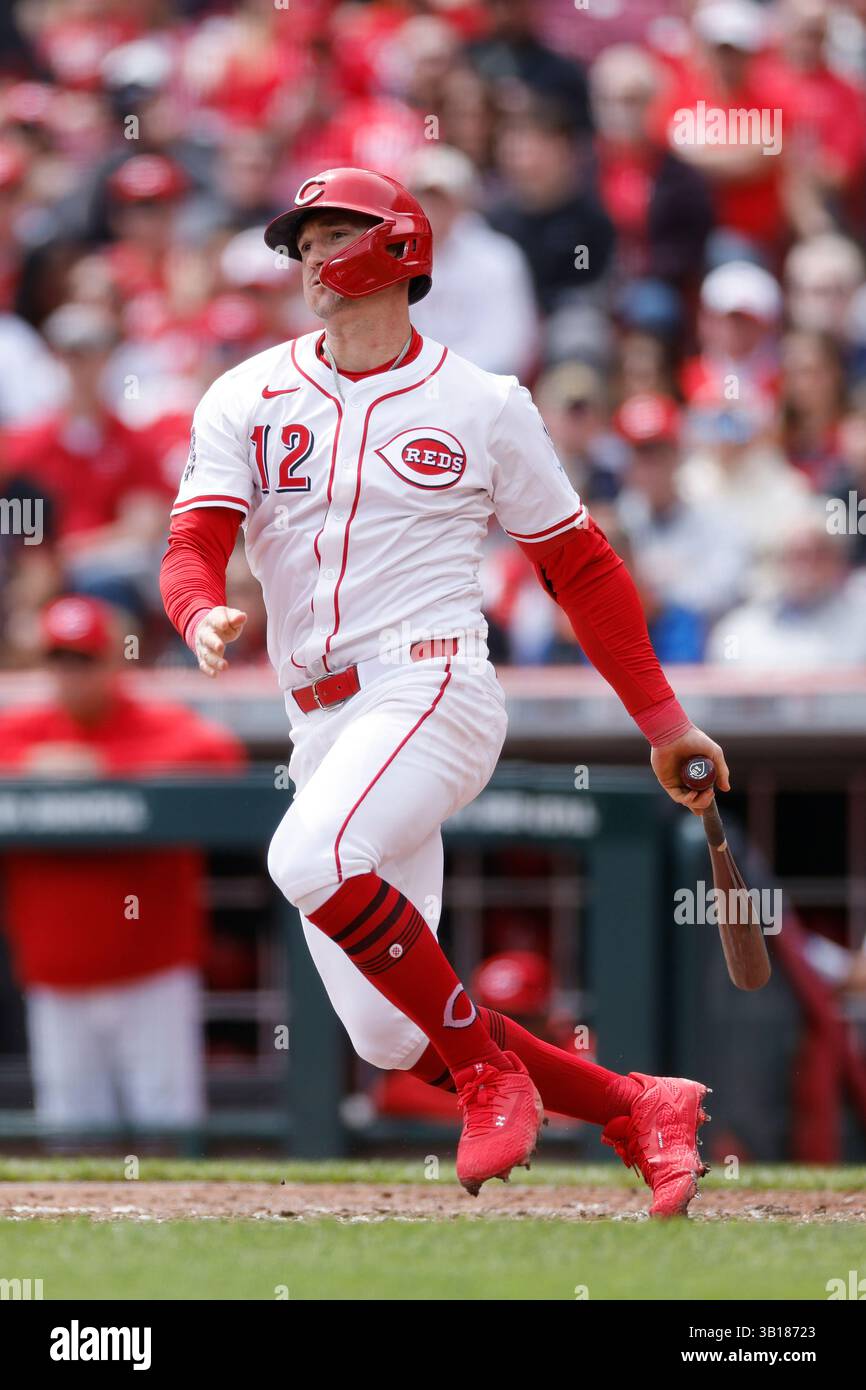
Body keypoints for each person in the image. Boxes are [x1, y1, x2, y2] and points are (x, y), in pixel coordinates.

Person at [160, 165, 728, 1216]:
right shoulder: (246, 390)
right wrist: (198, 613)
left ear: (395, 248)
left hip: (431, 680)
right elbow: (191, 542)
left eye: (332, 234)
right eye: (303, 240)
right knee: (387, 1031)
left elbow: (580, 565)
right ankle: (632, 1102)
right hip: (320, 719)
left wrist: (660, 719)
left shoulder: (482, 401)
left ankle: (488, 1073)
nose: (311, 259)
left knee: (310, 857)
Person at [0, 595, 246, 1131]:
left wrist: (101, 769)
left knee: (169, 1126)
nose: (72, 675)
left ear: (115, 659)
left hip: (152, 976)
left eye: (85, 660)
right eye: (60, 660)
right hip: (55, 980)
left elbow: (223, 757)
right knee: (71, 1132)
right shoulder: (20, 732)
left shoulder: (158, 723)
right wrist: (31, 772)